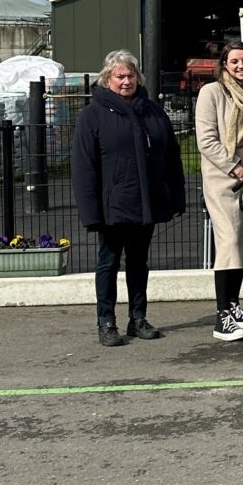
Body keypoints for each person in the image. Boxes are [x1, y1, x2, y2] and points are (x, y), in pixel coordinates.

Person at [72, 48, 186, 346]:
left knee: (139, 262)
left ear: (138, 77)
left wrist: (175, 198)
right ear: (107, 78)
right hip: (112, 206)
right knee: (108, 262)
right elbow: (84, 166)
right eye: (119, 76)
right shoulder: (92, 115)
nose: (126, 81)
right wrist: (91, 211)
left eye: (130, 75)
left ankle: (138, 318)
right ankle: (106, 322)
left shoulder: (153, 111)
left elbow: (171, 156)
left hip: (145, 202)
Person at [195, 41, 243, 342]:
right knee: (228, 243)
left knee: (241, 244)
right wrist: (235, 167)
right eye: (234, 61)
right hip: (224, 179)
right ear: (224, 65)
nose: (241, 66)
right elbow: (206, 140)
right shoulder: (211, 93)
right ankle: (221, 315)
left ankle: (234, 305)